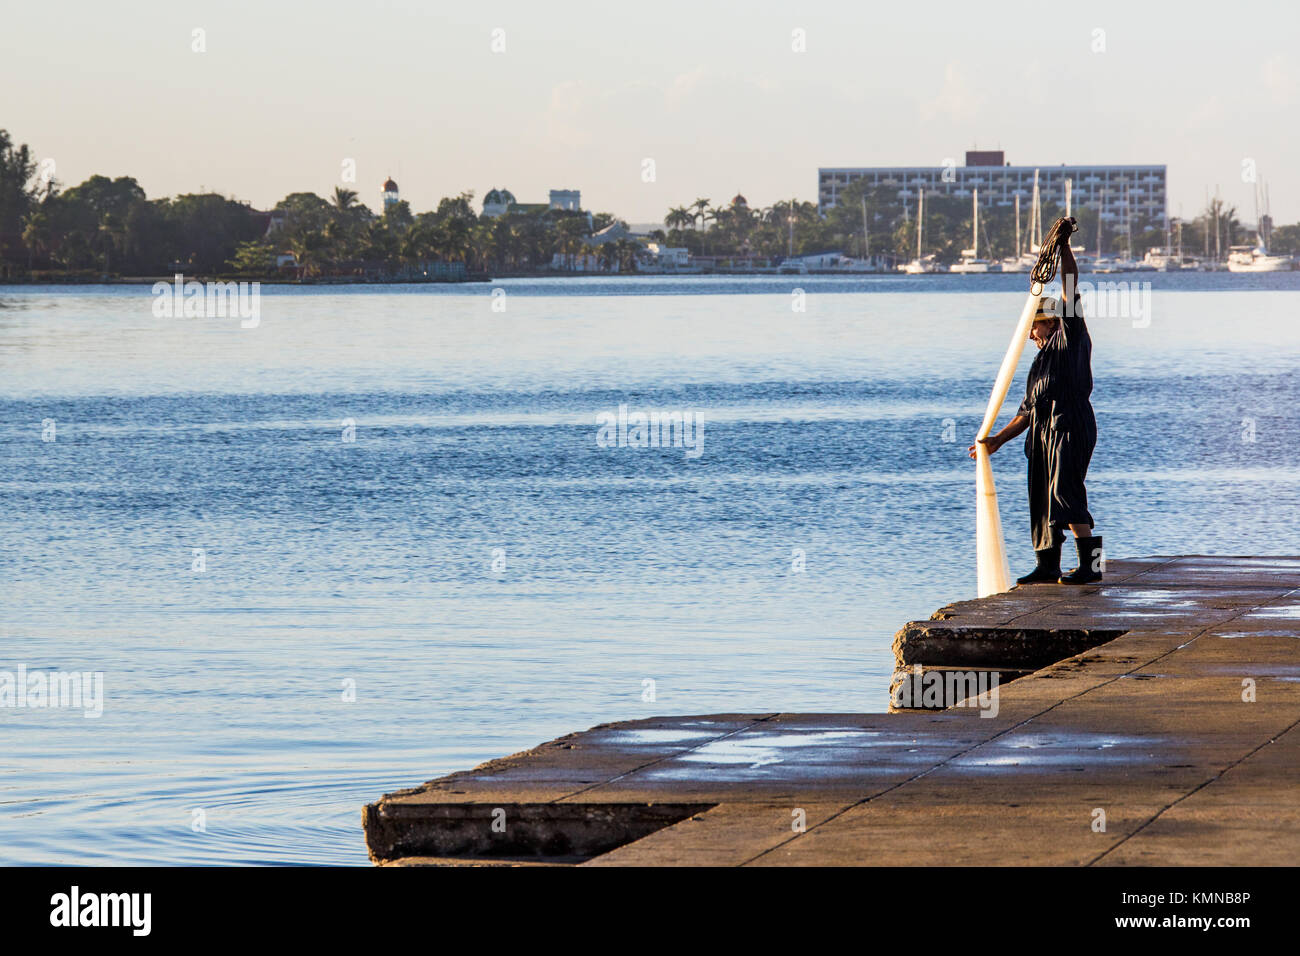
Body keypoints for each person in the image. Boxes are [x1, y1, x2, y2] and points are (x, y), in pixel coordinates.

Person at [967, 218, 1102, 584]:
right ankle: (1047, 565)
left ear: (1051, 322)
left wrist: (1063, 249)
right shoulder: (1039, 362)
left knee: (1065, 490)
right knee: (1041, 494)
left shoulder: (1070, 338)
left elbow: (1070, 287)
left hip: (1070, 425)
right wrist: (996, 440)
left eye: (1034, 326)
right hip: (1043, 431)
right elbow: (1027, 412)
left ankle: (1092, 566)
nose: (1029, 335)